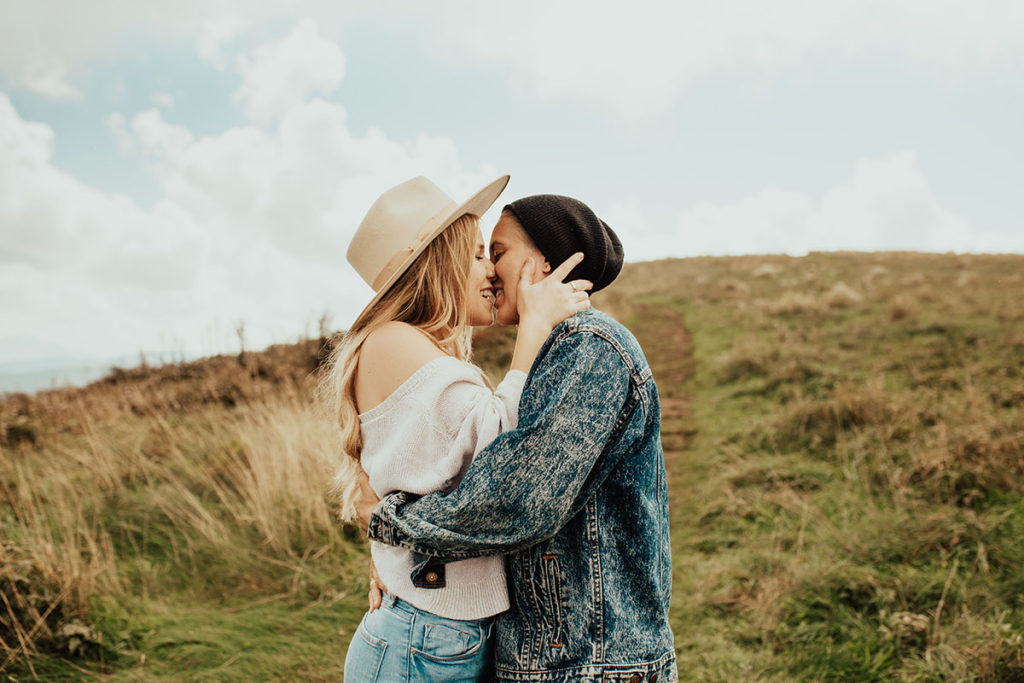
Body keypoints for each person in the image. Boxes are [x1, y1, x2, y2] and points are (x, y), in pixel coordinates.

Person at [365, 194, 678, 682]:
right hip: (555, 660)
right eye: (481, 255)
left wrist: (393, 529)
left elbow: (515, 501)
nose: (490, 270)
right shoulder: (554, 353)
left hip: (592, 665)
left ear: (545, 263)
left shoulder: (589, 349)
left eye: (498, 251)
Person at [328, 175, 593, 682]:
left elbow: (421, 481)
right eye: (475, 255)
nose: (492, 270)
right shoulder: (392, 341)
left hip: (439, 636)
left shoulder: (414, 351)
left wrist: (386, 552)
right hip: (419, 641)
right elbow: (499, 459)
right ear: (437, 266)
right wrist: (534, 328)